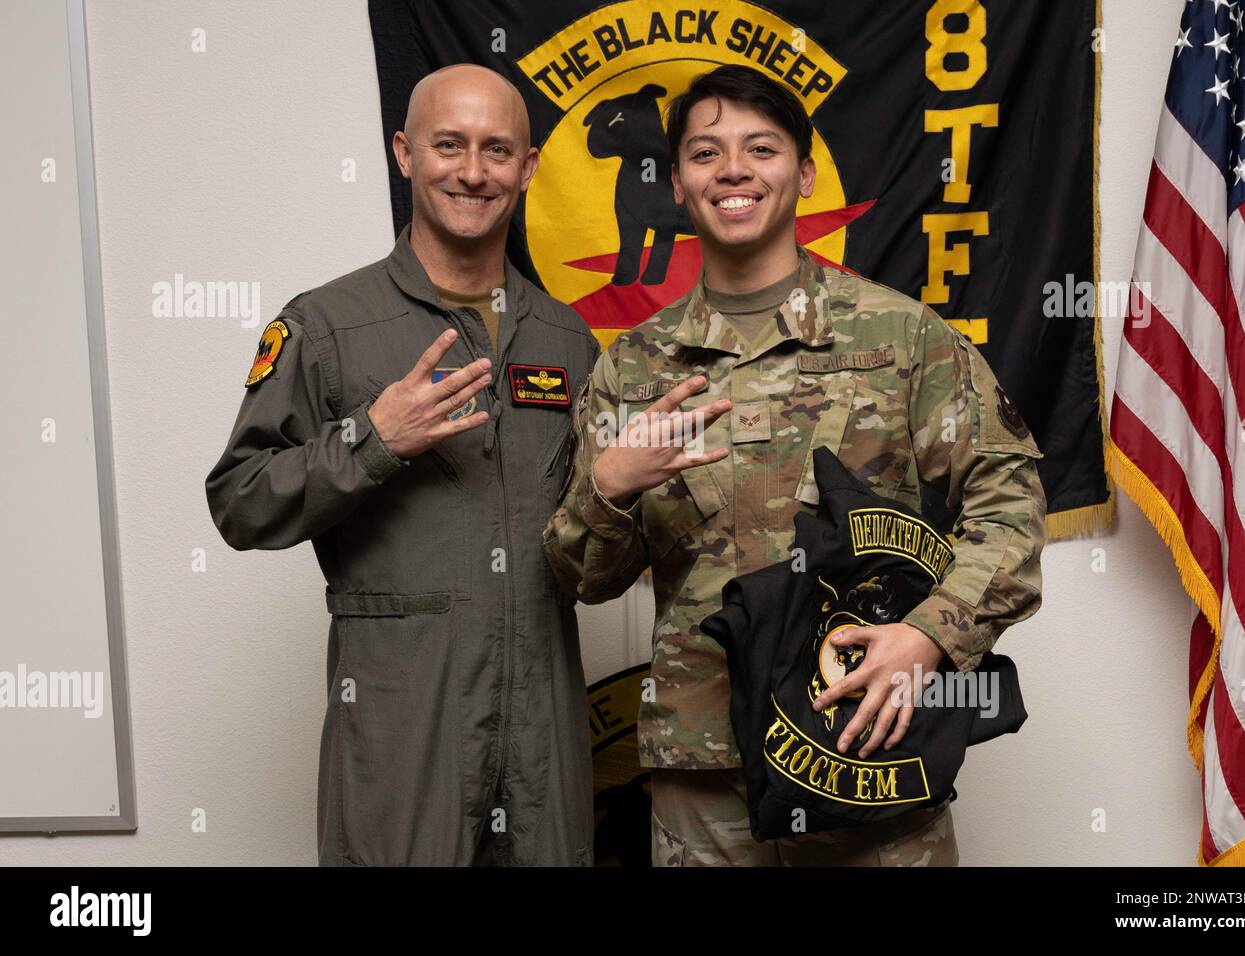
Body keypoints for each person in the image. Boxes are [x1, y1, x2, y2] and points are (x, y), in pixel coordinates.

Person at [543, 64, 1046, 867]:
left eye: (761, 148)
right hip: (704, 779)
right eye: (705, 153)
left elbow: (1010, 505)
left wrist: (928, 638)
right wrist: (608, 489)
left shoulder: (902, 338)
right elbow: (585, 578)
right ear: (676, 183)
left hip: (867, 753)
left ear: (803, 173)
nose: (733, 169)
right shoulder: (633, 369)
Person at [207, 64, 601, 866]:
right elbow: (239, 503)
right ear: (404, 154)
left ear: (527, 168)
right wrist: (373, 438)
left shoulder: (569, 341)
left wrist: (621, 494)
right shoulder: (327, 326)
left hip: (545, 737)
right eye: (448, 144)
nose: (473, 170)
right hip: (400, 732)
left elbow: (593, 558)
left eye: (498, 150)